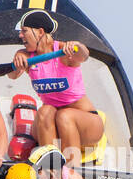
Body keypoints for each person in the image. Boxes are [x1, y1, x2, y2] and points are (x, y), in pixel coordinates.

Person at [7, 10, 104, 168]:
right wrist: (17, 58)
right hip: (50, 124)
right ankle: (50, 171)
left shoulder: (64, 51)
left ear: (40, 32)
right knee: (45, 110)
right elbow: (12, 75)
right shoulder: (28, 57)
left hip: (86, 126)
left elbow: (84, 56)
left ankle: (71, 172)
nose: (20, 36)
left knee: (64, 115)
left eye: (24, 31)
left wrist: (77, 46)